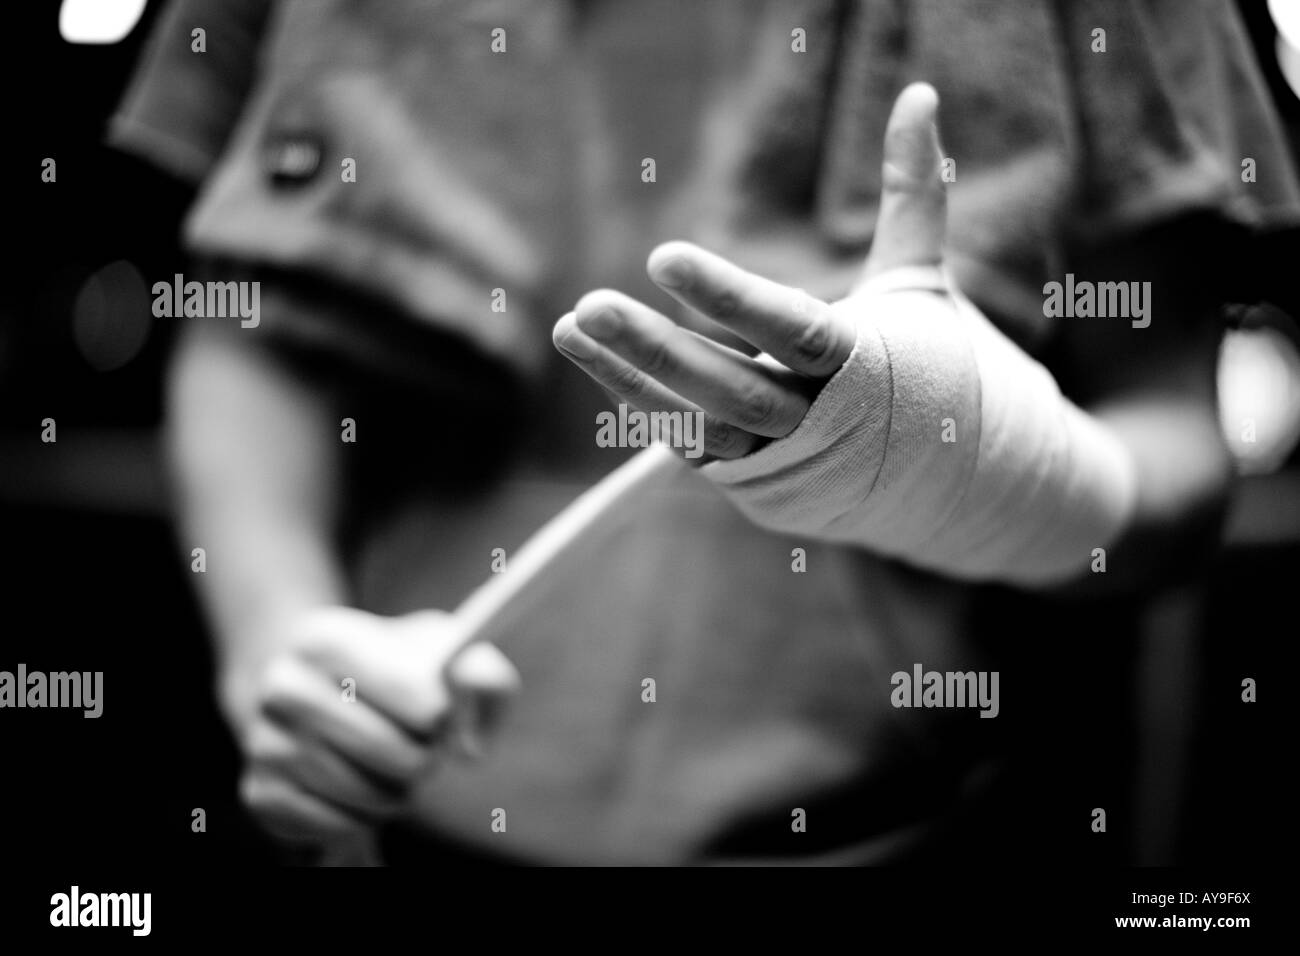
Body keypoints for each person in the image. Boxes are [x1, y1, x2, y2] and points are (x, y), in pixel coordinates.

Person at [110, 0, 1300, 864]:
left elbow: (1178, 443)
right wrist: (277, 643)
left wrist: (990, 467)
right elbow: (256, 325)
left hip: (914, 837)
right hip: (422, 819)